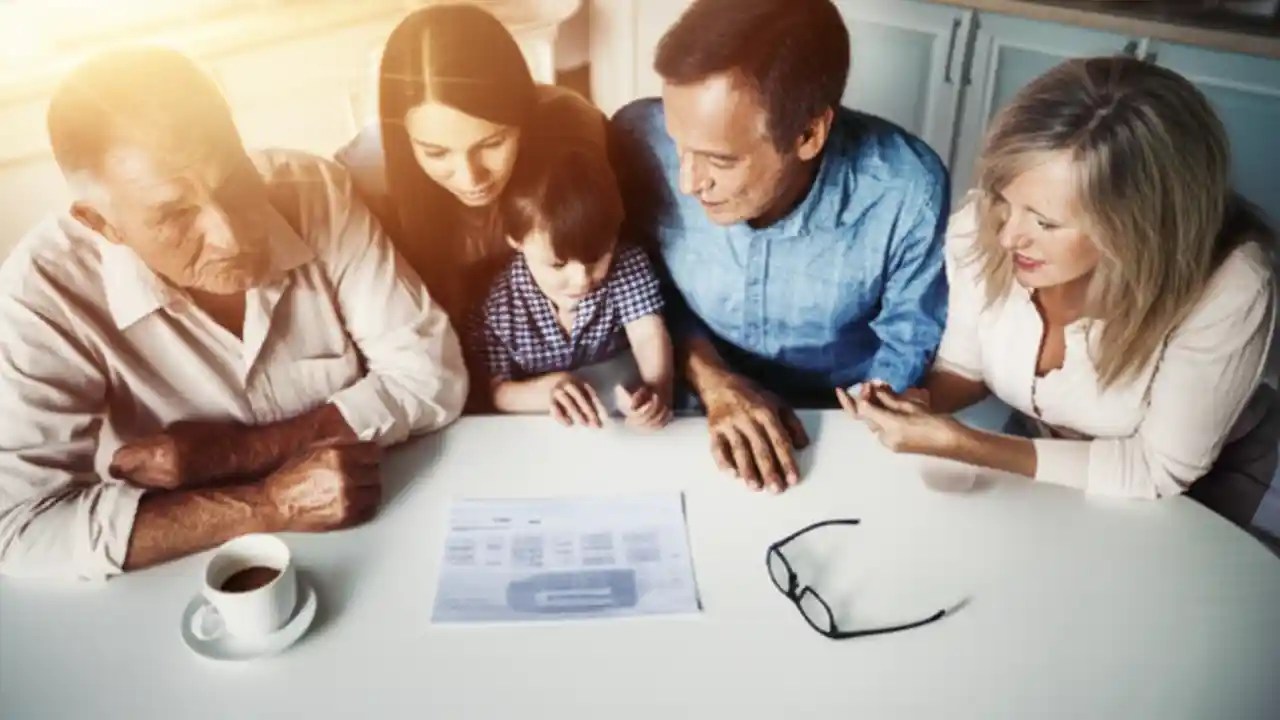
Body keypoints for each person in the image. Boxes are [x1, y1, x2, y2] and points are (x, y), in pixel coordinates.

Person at [0, 47, 468, 580]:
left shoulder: (314, 191)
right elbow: (17, 527)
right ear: (102, 225)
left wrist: (230, 455)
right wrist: (267, 504)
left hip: (380, 535)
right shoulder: (41, 294)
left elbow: (433, 374)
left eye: (233, 181)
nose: (231, 235)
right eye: (175, 214)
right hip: (181, 578)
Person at [843, 57, 1279, 545]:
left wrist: (966, 444)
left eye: (1045, 223)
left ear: (1137, 229)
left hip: (1204, 475)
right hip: (1043, 444)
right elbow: (967, 365)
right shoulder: (981, 228)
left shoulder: (1232, 287)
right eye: (1005, 200)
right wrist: (917, 402)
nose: (1008, 237)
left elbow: (1156, 469)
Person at [610, 0, 949, 494]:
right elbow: (639, 284)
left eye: (719, 161)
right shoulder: (636, 137)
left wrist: (848, 448)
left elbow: (905, 345)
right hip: (688, 400)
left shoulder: (908, 190)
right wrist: (712, 381)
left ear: (809, 134)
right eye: (677, 143)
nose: (687, 181)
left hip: (842, 421)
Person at [337, 4, 605, 332]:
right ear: (402, 141)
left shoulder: (573, 133)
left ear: (523, 117)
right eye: (436, 153)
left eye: (492, 144)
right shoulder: (363, 184)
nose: (471, 178)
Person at [468, 142, 672, 429]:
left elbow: (648, 334)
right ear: (517, 241)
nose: (581, 280)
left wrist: (656, 390)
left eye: (597, 258)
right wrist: (549, 389)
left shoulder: (627, 265)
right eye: (558, 265)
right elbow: (497, 391)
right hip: (540, 427)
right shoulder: (497, 304)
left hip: (615, 412)